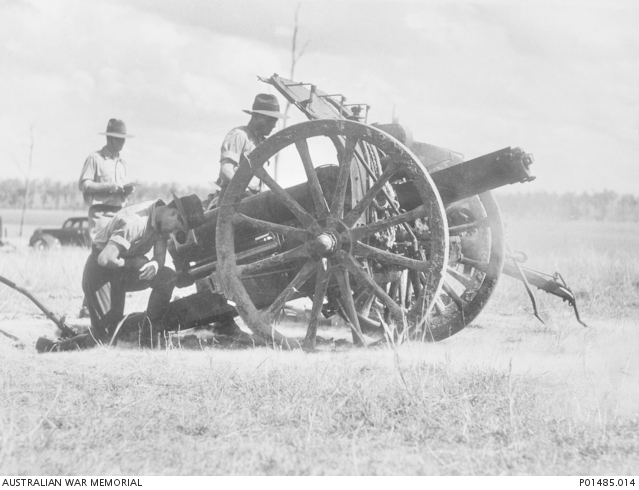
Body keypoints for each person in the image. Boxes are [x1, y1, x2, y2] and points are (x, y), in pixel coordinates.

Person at [36, 192, 205, 352]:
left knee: (167, 277)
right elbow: (105, 258)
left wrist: (155, 264)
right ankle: (53, 347)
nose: (175, 233)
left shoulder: (160, 218)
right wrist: (134, 262)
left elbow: (159, 255)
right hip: (101, 274)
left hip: (123, 270)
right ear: (174, 214)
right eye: (177, 228)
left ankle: (148, 337)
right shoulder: (136, 222)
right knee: (105, 340)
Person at [77, 119, 135, 318]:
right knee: (99, 255)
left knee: (114, 257)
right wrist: (109, 187)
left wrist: (126, 191)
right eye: (118, 139)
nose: (121, 143)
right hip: (101, 213)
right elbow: (84, 185)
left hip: (119, 212)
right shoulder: (95, 159)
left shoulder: (122, 162)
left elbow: (123, 189)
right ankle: (88, 305)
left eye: (123, 139)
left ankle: (107, 306)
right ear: (109, 138)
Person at [214, 93, 288, 203]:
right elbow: (226, 171)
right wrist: (246, 192)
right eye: (271, 120)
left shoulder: (259, 141)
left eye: (275, 121)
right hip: (235, 201)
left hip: (250, 200)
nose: (274, 125)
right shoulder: (239, 136)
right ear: (257, 117)